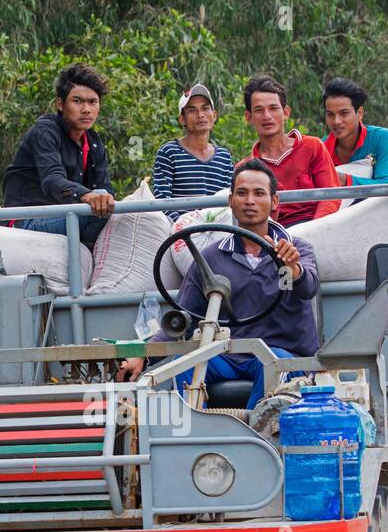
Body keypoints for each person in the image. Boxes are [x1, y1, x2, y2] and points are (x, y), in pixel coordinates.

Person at [118, 160, 319, 410]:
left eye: (259, 193)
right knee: (184, 364)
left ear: (274, 202)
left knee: (277, 365)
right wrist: (143, 354)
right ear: (230, 201)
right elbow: (185, 317)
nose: (249, 201)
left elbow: (308, 287)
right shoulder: (211, 258)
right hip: (228, 355)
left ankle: (258, 436)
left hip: (281, 355)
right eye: (242, 193)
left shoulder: (296, 250)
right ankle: (194, 438)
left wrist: (292, 268)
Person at [1, 63, 116, 244]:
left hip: (68, 216)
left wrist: (102, 198)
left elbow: (106, 189)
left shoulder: (93, 141)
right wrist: (88, 196)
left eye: (93, 102)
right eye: (77, 101)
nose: (86, 109)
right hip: (28, 220)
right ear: (60, 104)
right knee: (100, 209)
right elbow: (52, 180)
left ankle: (87, 252)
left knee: (116, 209)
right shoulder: (46, 131)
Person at [243, 74, 340, 226]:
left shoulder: (312, 147)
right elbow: (248, 216)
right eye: (259, 110)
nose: (267, 116)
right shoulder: (246, 168)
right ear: (248, 117)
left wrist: (314, 231)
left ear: (286, 112)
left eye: (273, 108)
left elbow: (331, 196)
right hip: (271, 239)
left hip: (317, 229)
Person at [152, 84, 235, 221]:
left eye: (205, 108)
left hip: (218, 231)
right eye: (192, 110)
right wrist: (183, 227)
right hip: (179, 234)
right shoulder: (169, 153)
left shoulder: (224, 157)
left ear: (214, 116)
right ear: (182, 119)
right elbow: (161, 200)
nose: (200, 115)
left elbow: (229, 200)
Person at [322, 77, 388, 185]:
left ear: (359, 113)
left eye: (344, 113)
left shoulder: (382, 138)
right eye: (330, 114)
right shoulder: (320, 149)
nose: (336, 121)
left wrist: (345, 180)